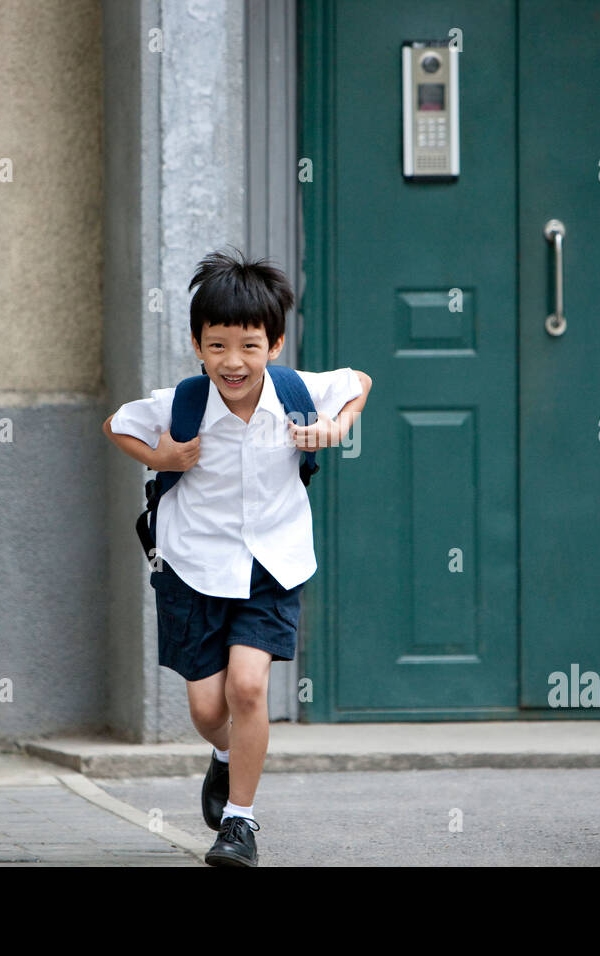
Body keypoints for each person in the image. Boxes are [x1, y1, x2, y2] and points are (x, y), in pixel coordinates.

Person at [102, 248, 372, 865]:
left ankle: (240, 823)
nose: (233, 361)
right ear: (197, 344)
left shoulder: (299, 393)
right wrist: (162, 459)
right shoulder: (183, 403)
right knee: (206, 708)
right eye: (217, 345)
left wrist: (339, 426)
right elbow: (117, 422)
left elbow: (360, 382)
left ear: (274, 344)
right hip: (194, 566)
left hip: (272, 565)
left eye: (249, 345)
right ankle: (223, 755)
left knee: (248, 689)